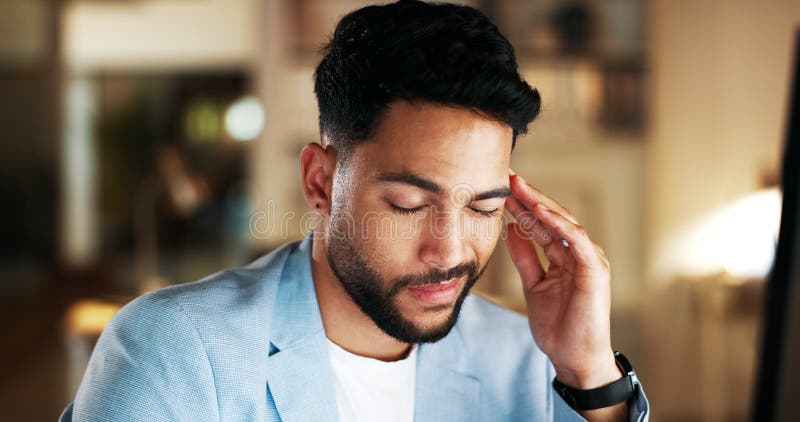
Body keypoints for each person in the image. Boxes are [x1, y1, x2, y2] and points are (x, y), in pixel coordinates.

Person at [61, 1, 650, 421]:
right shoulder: (178, 349)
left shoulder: (525, 358)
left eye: (483, 207)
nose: (448, 252)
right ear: (320, 181)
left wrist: (591, 375)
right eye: (408, 204)